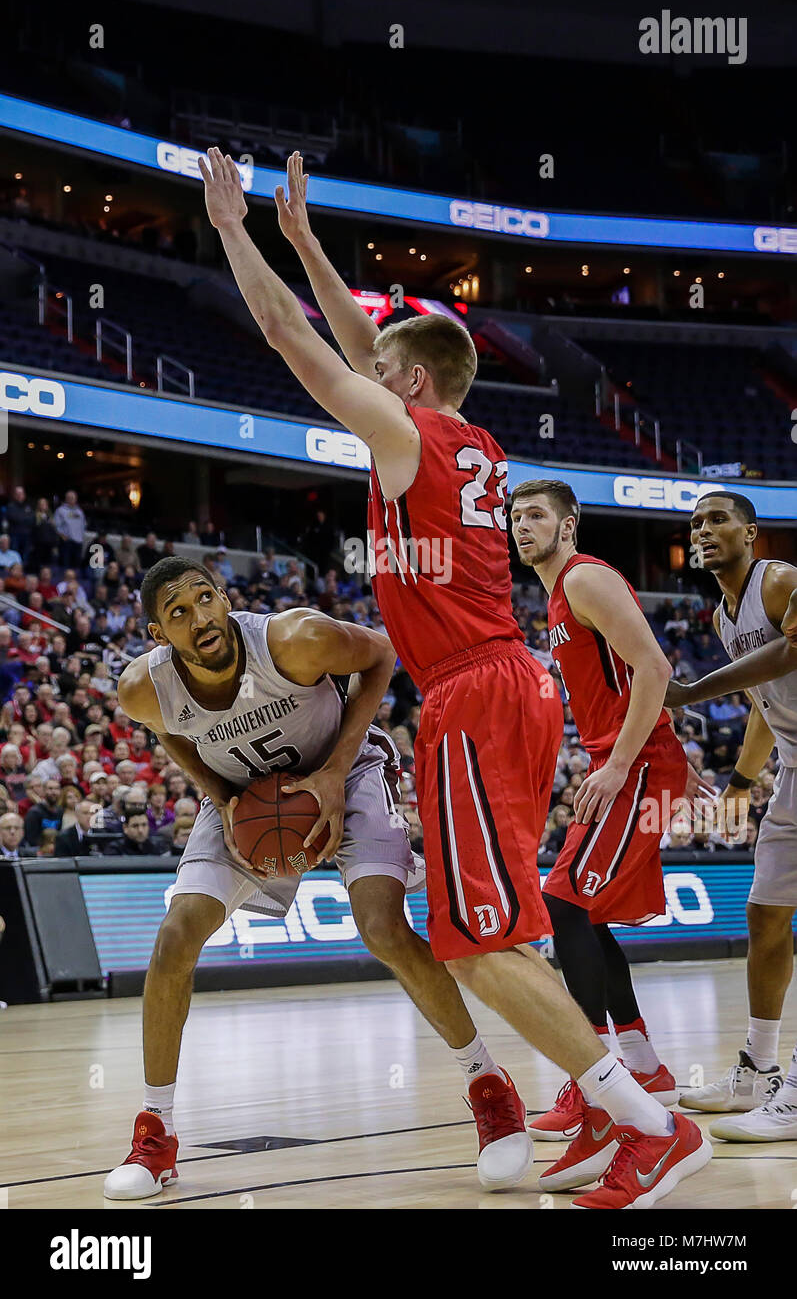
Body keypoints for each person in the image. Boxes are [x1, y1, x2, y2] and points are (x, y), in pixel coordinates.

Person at [198, 146, 712, 1208]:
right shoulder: (462, 437)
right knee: (499, 929)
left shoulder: (408, 434)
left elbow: (295, 339)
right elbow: (357, 341)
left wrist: (234, 233)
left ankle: (652, 1127)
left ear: (408, 386)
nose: (363, 375)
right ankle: (616, 1109)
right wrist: (303, 240)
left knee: (472, 942)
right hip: (506, 685)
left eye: (379, 369)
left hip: (477, 694)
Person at [104, 557, 518, 1201]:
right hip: (247, 797)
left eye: (205, 599)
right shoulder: (142, 689)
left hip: (344, 774)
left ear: (225, 597)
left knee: (381, 926)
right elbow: (166, 729)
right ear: (160, 636)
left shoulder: (294, 640)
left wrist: (333, 771)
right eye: (178, 614)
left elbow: (380, 656)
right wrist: (217, 792)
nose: (199, 618)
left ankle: (487, 1085)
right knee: (175, 938)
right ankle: (156, 1132)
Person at [509, 479, 713, 1183]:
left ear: (568, 526)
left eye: (536, 514)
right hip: (626, 760)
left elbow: (655, 665)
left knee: (563, 905)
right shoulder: (555, 595)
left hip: (632, 766)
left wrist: (627, 762)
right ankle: (644, 1070)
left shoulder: (585, 577)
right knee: (583, 916)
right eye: (513, 515)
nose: (520, 524)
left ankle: (592, 1079)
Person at [664, 491, 797, 1143]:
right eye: (695, 523)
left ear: (751, 532)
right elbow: (759, 704)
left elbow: (789, 654)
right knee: (764, 916)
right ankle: (759, 1070)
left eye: (717, 519)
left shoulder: (780, 582)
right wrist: (742, 781)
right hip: (792, 772)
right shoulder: (723, 618)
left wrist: (688, 691)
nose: (703, 530)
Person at [53, 491, 86, 570]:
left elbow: (83, 525)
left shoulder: (80, 511)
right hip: (67, 542)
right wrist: (62, 536)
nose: (72, 500)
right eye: (70, 498)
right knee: (65, 566)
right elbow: (55, 526)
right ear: (66, 499)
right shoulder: (60, 510)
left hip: (78, 542)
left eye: (73, 498)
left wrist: (81, 537)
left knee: (76, 566)